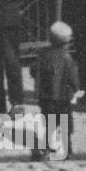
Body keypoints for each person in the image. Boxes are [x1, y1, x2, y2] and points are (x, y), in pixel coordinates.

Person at [32, 22, 79, 160]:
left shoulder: (43, 55)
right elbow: (73, 78)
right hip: (63, 98)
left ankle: (46, 151)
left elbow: (34, 70)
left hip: (46, 97)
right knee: (65, 124)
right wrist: (75, 89)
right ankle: (68, 151)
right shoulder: (67, 58)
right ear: (66, 42)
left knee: (50, 124)